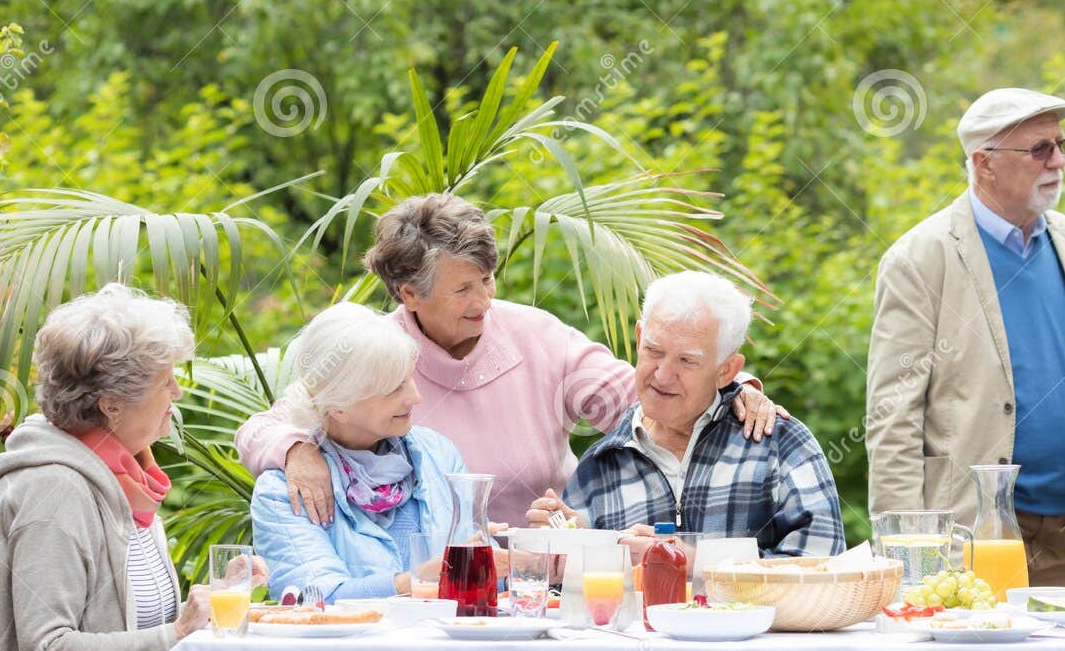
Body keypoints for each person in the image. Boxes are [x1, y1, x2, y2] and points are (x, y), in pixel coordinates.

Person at [235, 195, 782, 529]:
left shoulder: (536, 334)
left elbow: (647, 395)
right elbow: (261, 429)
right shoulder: (368, 351)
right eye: (462, 289)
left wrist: (732, 389)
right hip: (428, 585)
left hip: (545, 572)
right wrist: (299, 449)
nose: (484, 302)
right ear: (408, 293)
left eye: (488, 280)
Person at [0, 284, 263, 651]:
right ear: (112, 403)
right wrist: (176, 634)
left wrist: (211, 603)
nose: (177, 391)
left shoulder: (124, 480)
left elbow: (123, 621)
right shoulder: (55, 491)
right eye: (165, 381)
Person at [865, 89, 1065, 584]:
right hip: (974, 529)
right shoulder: (919, 259)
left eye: (1063, 144)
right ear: (984, 164)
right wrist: (903, 551)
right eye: (1039, 149)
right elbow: (892, 417)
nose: (1059, 161)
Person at [528, 272, 845, 558]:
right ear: (639, 340)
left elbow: (823, 571)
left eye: (687, 361)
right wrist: (573, 545)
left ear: (726, 371)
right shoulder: (601, 466)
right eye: (653, 351)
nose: (663, 376)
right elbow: (574, 599)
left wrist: (694, 565)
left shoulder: (778, 443)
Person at [251, 303, 473, 601]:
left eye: (410, 379)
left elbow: (478, 580)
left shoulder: (440, 455)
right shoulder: (283, 491)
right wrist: (418, 581)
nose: (415, 397)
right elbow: (314, 599)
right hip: (349, 650)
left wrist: (536, 555)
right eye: (394, 388)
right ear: (338, 405)